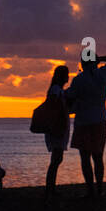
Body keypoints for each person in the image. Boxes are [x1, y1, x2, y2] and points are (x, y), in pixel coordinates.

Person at [65, 52, 106, 197]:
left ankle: (90, 190)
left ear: (83, 63)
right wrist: (99, 60)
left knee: (85, 158)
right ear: (95, 62)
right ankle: (100, 189)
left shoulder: (79, 79)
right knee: (98, 157)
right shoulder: (103, 74)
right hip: (99, 120)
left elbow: (69, 96)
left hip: (83, 120)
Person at [43, 65, 71, 201]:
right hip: (56, 128)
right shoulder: (55, 90)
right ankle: (50, 189)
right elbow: (53, 106)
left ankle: (51, 188)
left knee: (57, 159)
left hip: (58, 127)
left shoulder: (58, 90)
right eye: (66, 74)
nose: (68, 77)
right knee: (56, 159)